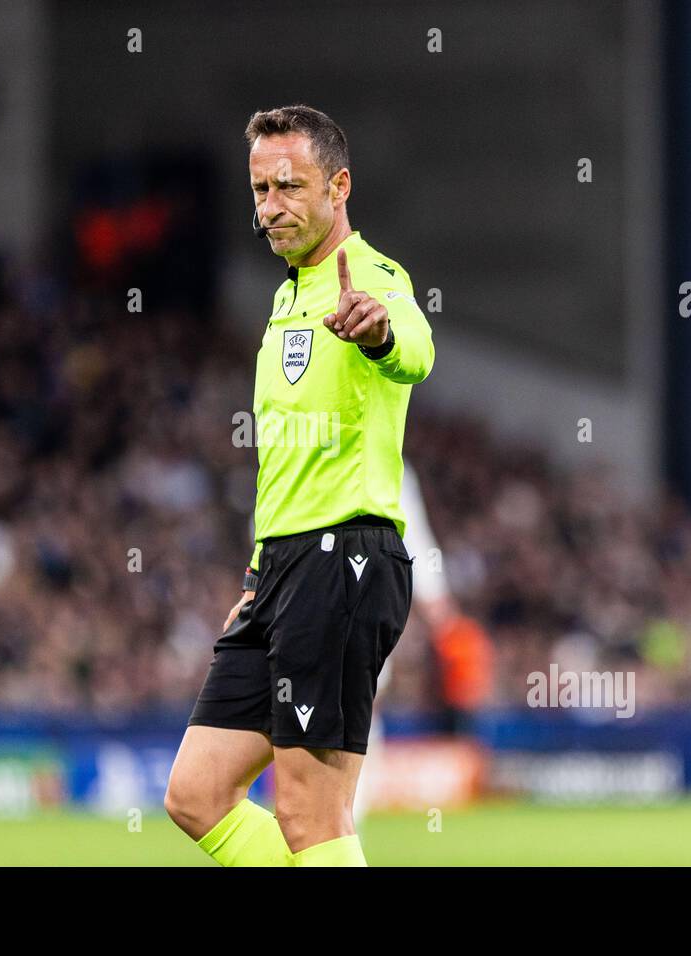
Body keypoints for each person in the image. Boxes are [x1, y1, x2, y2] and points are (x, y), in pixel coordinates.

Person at [165, 104, 434, 866]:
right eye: (259, 189)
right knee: (196, 794)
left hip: (345, 559)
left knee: (311, 817)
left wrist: (379, 329)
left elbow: (414, 348)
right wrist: (259, 571)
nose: (270, 207)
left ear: (339, 185)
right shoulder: (288, 296)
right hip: (281, 569)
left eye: (289, 186)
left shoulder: (373, 278)